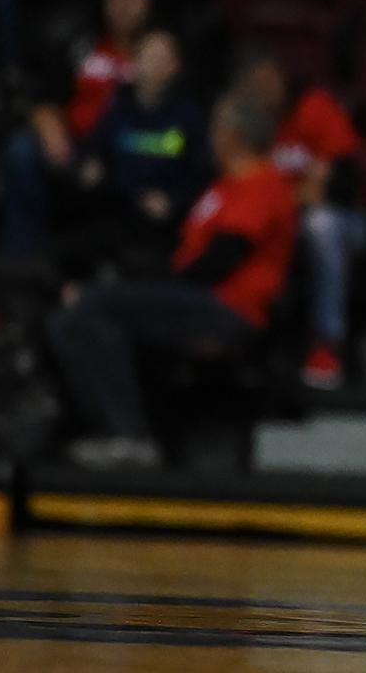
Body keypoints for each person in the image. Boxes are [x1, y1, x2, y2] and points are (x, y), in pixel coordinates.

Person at [45, 96, 297, 470]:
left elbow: (219, 261)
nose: (211, 136)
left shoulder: (262, 183)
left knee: (90, 308)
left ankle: (128, 436)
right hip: (194, 299)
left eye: (217, 127)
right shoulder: (224, 186)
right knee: (75, 316)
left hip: (225, 310)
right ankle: (103, 427)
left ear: (233, 135)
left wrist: (145, 285)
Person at [230, 45, 364, 389]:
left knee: (320, 225)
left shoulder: (314, 108)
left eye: (271, 79)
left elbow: (346, 181)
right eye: (256, 83)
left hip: (341, 220)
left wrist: (309, 193)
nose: (266, 89)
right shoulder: (243, 123)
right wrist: (295, 194)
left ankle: (327, 343)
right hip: (274, 220)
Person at [2, 0, 150, 257]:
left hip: (126, 144)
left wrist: (105, 151)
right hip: (73, 142)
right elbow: (46, 94)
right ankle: (24, 261)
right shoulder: (84, 44)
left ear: (148, 0)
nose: (122, 6)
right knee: (22, 152)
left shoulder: (157, 49)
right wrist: (48, 123)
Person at [71, 30, 211, 275]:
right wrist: (90, 166)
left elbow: (201, 175)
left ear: (175, 67)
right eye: (147, 56)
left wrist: (174, 201)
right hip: (116, 209)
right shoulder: (117, 107)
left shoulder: (189, 116)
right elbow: (94, 150)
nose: (153, 64)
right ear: (134, 63)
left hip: (163, 223)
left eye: (161, 58)